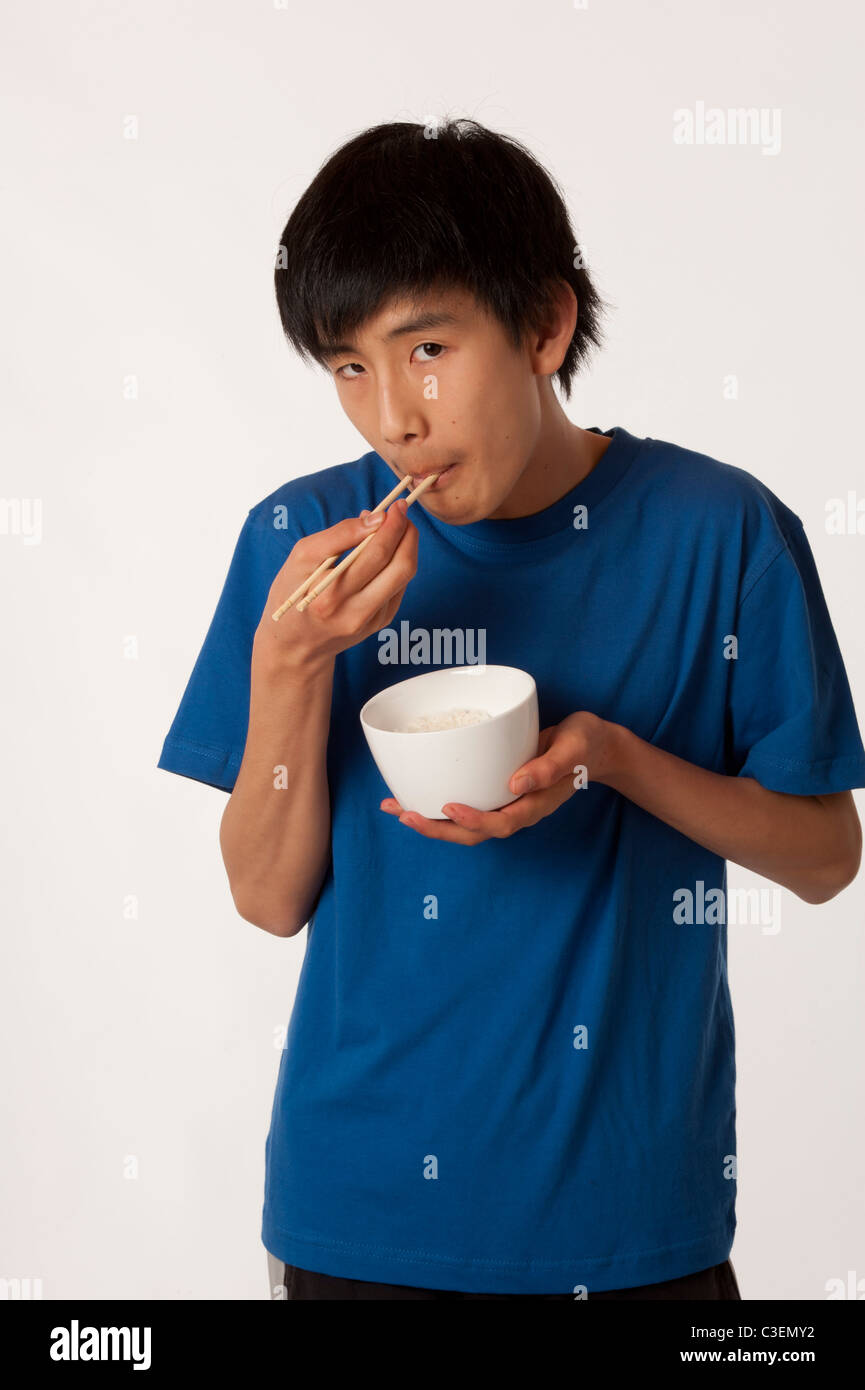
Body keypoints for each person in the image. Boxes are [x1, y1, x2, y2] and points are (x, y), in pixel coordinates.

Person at [158, 119, 865, 1300]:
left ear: (545, 325)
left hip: (638, 1225)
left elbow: (826, 856)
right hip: (359, 1222)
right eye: (347, 366)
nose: (392, 415)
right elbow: (266, 898)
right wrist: (287, 671)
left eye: (426, 346)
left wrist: (614, 760)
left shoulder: (723, 532)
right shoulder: (299, 549)